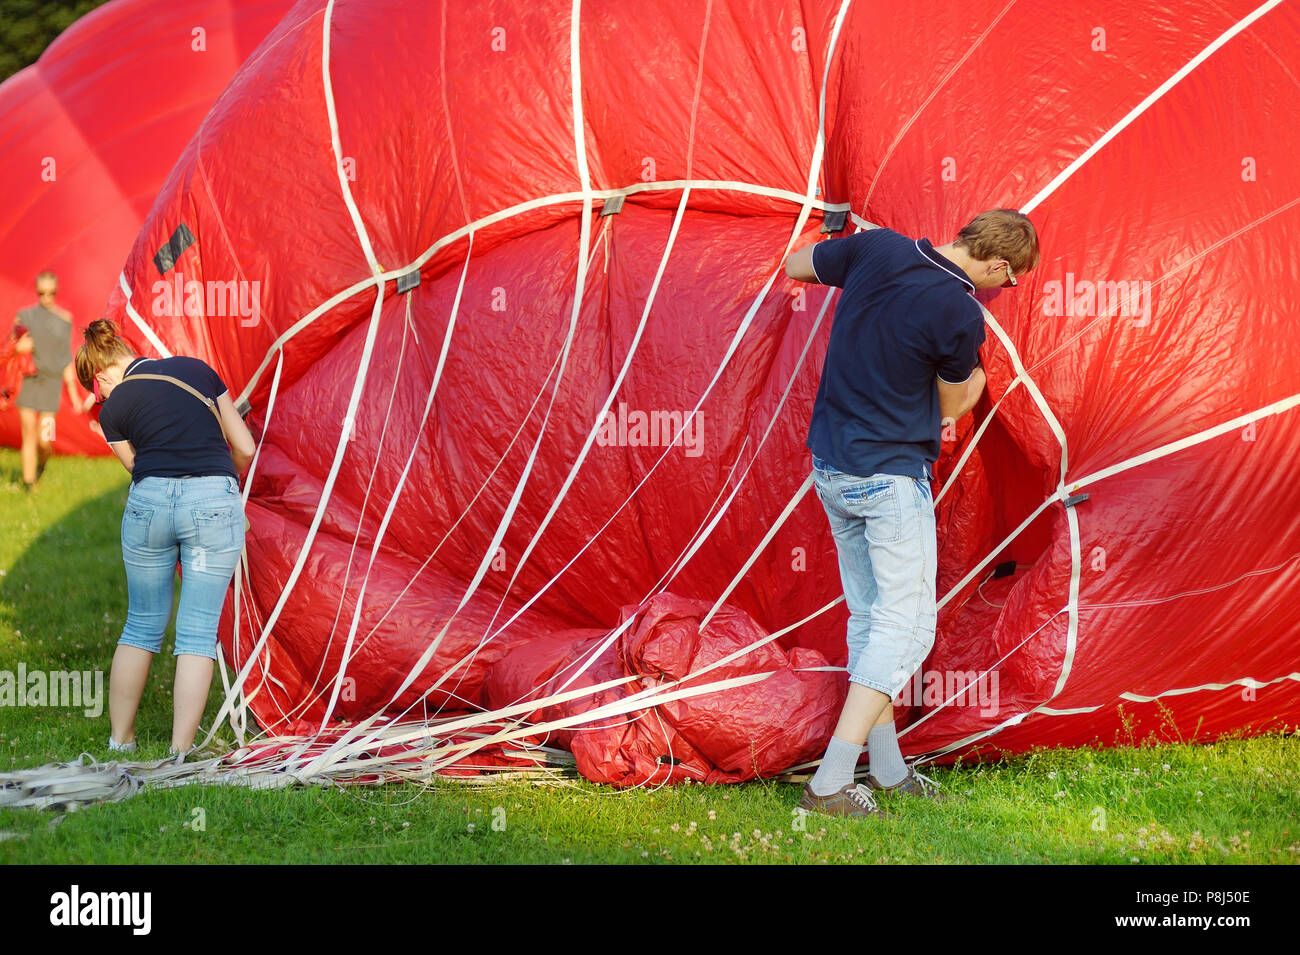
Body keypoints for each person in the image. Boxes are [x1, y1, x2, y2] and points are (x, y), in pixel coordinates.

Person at [784, 209, 1040, 816]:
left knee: (871, 619)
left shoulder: (874, 248)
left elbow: (796, 265)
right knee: (907, 627)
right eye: (1010, 281)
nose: (1004, 292)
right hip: (889, 479)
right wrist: (976, 380)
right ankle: (829, 784)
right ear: (998, 264)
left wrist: (830, 234)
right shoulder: (959, 309)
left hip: (831, 468)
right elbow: (952, 406)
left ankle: (889, 771)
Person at [75, 318, 256, 755]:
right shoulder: (198, 370)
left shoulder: (113, 409)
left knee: (140, 625)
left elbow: (137, 469)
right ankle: (180, 752)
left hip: (150, 507)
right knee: (196, 633)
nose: (100, 399)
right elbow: (246, 448)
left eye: (96, 391)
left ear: (101, 376)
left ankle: (120, 741)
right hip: (212, 500)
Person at [12, 271, 89, 491]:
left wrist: (73, 393)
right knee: (28, 433)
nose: (46, 297)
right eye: (42, 293)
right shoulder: (24, 317)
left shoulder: (64, 319)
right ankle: (28, 485)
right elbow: (8, 348)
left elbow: (65, 357)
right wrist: (19, 348)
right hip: (29, 380)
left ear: (55, 291)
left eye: (51, 293)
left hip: (51, 384)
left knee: (45, 439)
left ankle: (41, 464)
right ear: (37, 292)